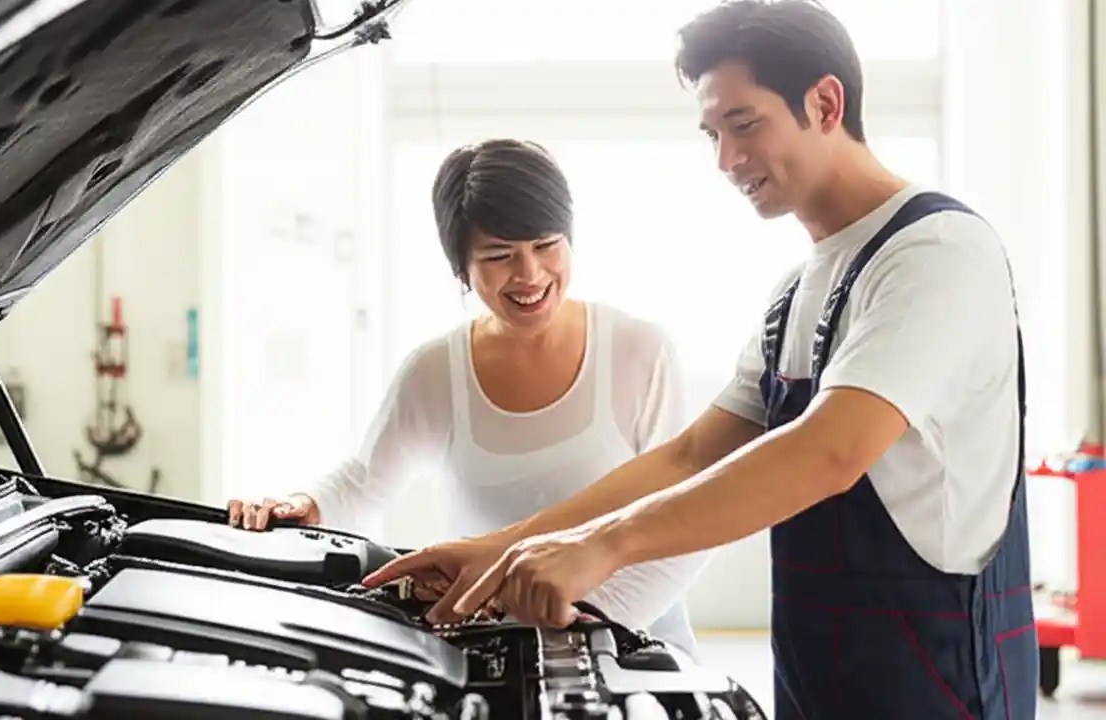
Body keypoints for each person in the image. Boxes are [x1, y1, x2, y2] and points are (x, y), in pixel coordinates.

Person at [361, 2, 1037, 718]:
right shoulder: (800, 288)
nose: (725, 160)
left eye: (744, 125)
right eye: (713, 133)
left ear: (826, 101)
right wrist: (498, 551)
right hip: (823, 675)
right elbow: (688, 457)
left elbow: (830, 451)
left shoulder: (936, 254)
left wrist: (603, 548)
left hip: (936, 679)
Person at [225, 138, 712, 660]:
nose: (530, 275)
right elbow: (364, 483)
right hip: (495, 638)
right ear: (460, 266)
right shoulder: (435, 372)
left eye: (546, 245)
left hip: (635, 633)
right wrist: (306, 506)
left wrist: (580, 620)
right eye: (500, 255)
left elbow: (687, 513)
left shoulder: (638, 351)